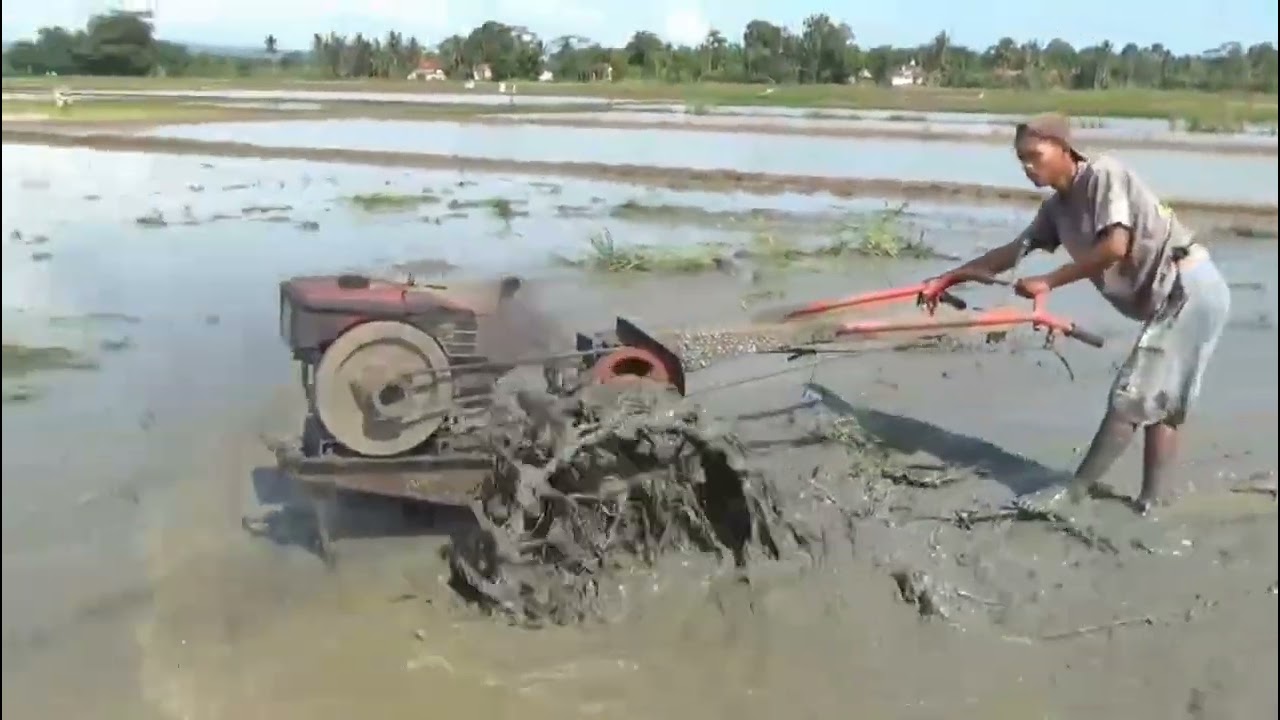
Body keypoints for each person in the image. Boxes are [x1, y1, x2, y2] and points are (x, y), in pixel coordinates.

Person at [919, 113, 1232, 516]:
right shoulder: (1056, 210)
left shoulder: (1103, 175)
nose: (1029, 167)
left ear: (1065, 150)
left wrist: (1049, 280)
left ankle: (1074, 493)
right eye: (1021, 160)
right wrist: (949, 278)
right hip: (1175, 296)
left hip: (1189, 286)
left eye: (1036, 155)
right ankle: (1155, 503)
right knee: (1161, 402)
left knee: (1131, 397)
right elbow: (1012, 253)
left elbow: (1115, 246)